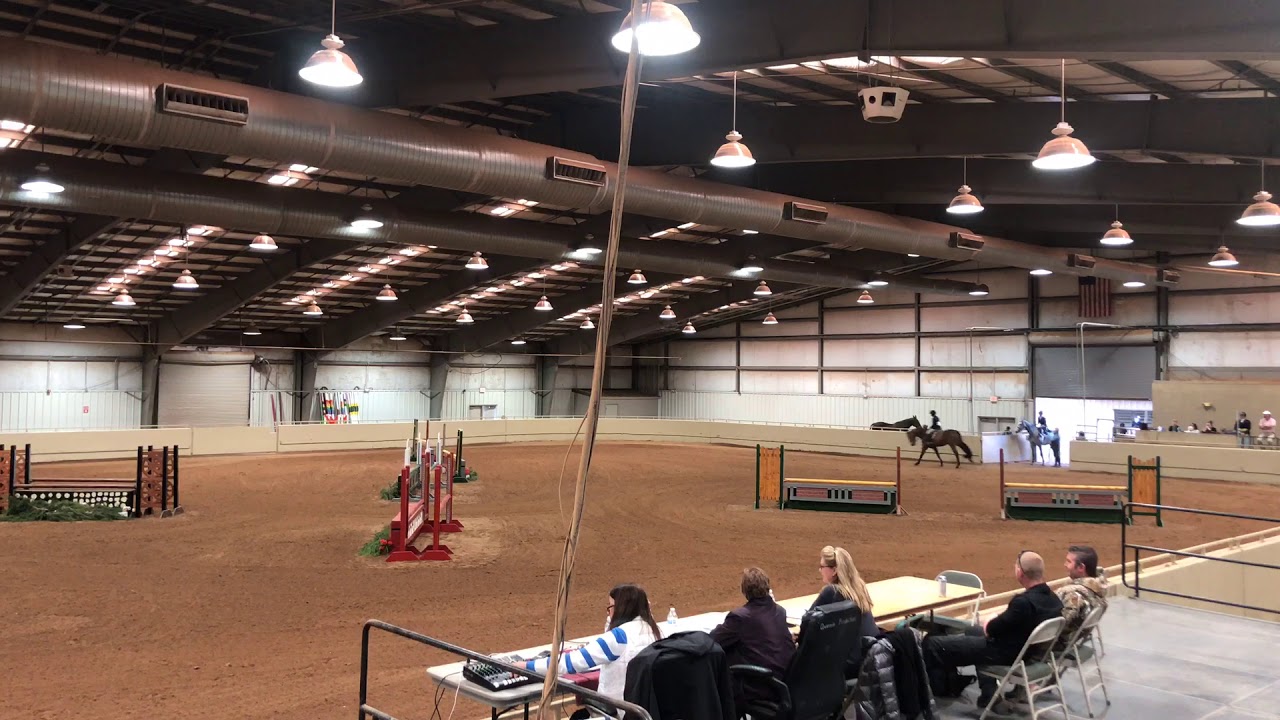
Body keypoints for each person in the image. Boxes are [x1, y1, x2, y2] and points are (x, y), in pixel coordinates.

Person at [923, 551, 1063, 711]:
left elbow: (991, 629)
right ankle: (989, 696)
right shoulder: (1054, 599)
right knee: (973, 631)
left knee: (932, 643)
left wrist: (990, 620)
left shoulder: (1023, 603)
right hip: (1028, 653)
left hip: (1005, 654)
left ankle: (926, 695)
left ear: (1020, 572)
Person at [526, 583, 661, 702]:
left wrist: (525, 666)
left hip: (619, 710)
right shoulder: (656, 631)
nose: (608, 612)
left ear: (621, 608)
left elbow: (568, 663)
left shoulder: (617, 638)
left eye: (610, 606)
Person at [709, 568, 795, 708]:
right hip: (784, 681)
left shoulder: (740, 617)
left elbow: (713, 640)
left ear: (744, 590)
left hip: (759, 686)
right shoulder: (780, 611)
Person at [811, 545, 880, 639]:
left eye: (822, 566)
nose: (820, 570)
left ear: (834, 570)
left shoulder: (831, 591)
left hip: (856, 651)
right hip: (873, 646)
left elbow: (808, 621)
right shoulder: (860, 587)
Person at [1056, 545, 1109, 650]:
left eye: (1069, 562)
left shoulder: (1073, 595)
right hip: (1077, 638)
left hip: (1059, 644)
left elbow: (1058, 626)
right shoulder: (1098, 589)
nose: (1065, 565)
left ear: (1081, 568)